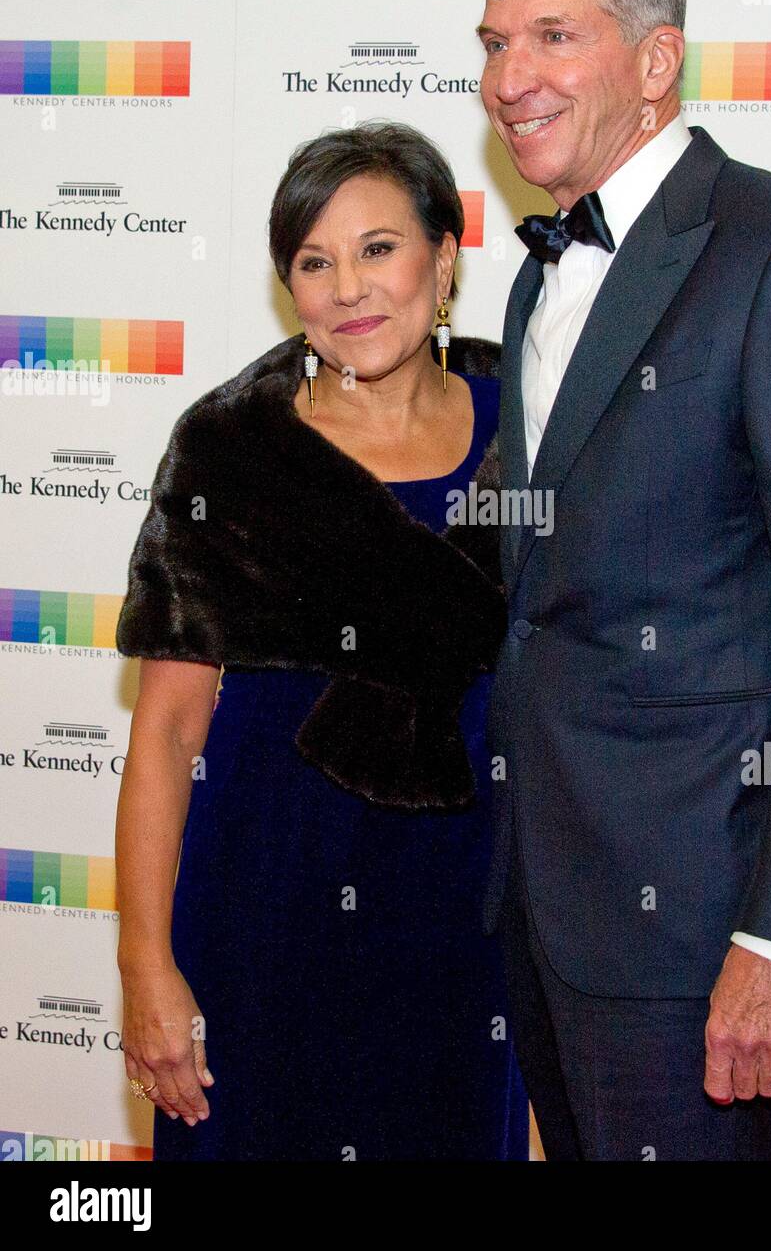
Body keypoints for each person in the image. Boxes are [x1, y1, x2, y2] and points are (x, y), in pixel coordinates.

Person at [476, 0, 771, 1161]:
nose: (510, 79)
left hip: (696, 926)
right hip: (544, 903)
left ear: (656, 61)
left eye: (553, 36)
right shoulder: (535, 270)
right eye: (495, 41)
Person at [114, 121, 529, 1161]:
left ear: (445, 256)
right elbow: (166, 733)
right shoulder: (230, 451)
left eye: (379, 248)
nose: (349, 287)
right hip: (262, 909)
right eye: (314, 261)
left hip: (462, 914)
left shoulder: (532, 428)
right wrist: (145, 966)